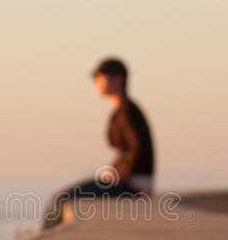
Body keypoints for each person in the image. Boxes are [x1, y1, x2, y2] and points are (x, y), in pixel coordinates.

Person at [43, 57, 155, 229]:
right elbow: (127, 152)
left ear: (118, 79)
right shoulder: (122, 110)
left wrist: (119, 176)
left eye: (99, 77)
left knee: (61, 199)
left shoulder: (128, 112)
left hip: (133, 185)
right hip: (128, 181)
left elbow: (138, 149)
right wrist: (113, 170)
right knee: (61, 198)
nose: (96, 83)